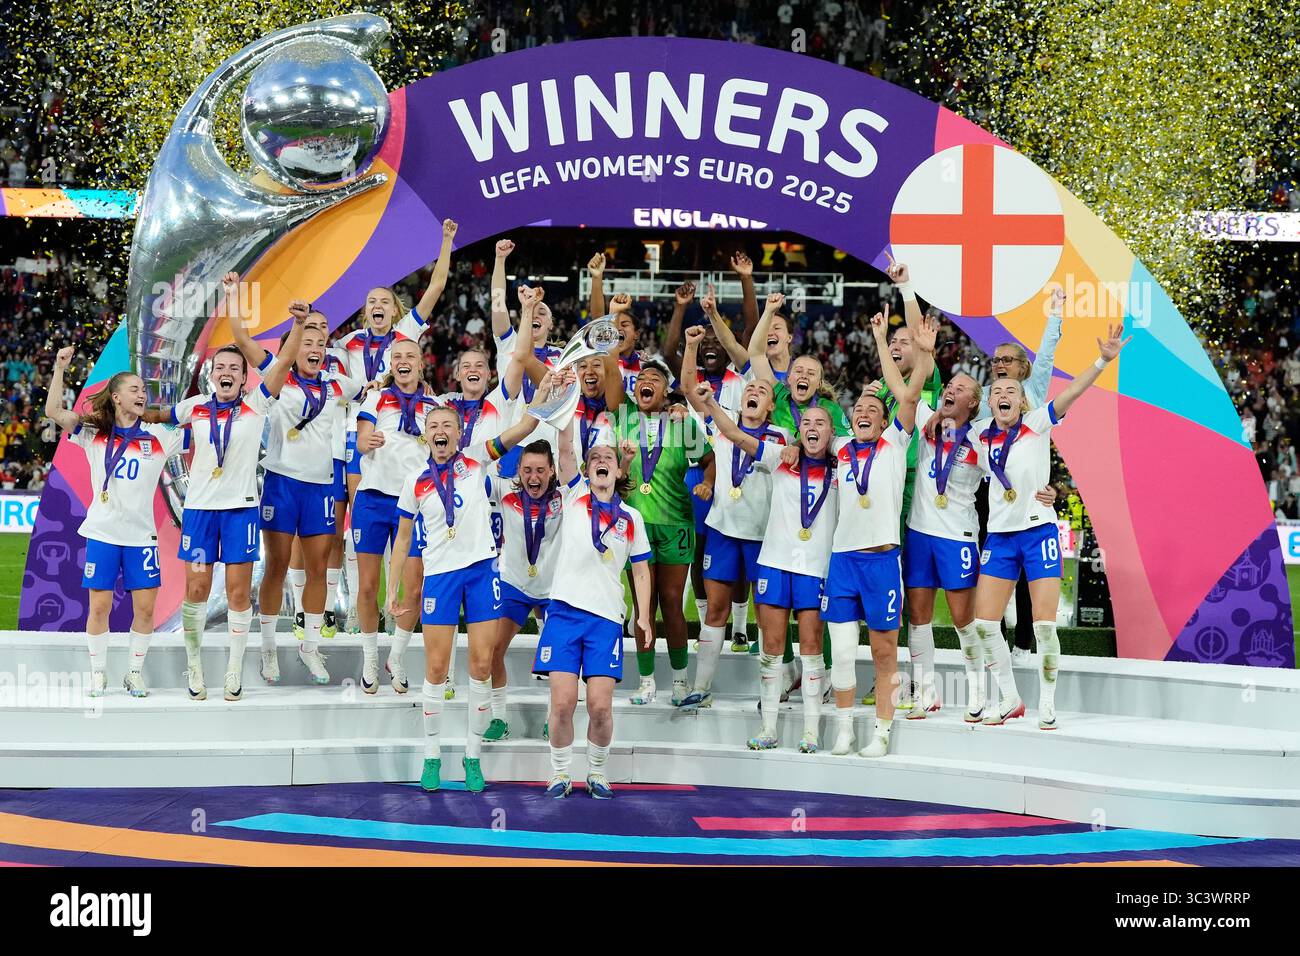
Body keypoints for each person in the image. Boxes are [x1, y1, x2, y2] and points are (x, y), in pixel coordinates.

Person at [139, 296, 305, 701]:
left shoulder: (256, 403)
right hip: (199, 513)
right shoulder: (194, 407)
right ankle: (194, 667)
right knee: (195, 591)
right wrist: (129, 410)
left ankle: (233, 672)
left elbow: (282, 365)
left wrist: (298, 327)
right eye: (221, 368)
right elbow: (159, 416)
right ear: (211, 377)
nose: (227, 372)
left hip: (240, 513)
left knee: (236, 593)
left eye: (234, 368)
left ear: (244, 378)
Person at [971, 323, 1130, 730]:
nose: (1003, 395)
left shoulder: (1038, 423)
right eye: (996, 392)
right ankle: (1009, 697)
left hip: (1038, 531)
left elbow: (1073, 390)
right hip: (1000, 537)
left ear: (1023, 402)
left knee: (1043, 625)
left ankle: (1047, 703)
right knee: (986, 624)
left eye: (1011, 392)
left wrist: (1102, 360)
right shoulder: (979, 437)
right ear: (989, 403)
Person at [387, 399, 542, 793]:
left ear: (458, 433)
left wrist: (543, 393)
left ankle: (472, 756)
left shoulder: (476, 458)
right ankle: (432, 756)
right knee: (436, 669)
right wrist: (395, 589)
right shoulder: (415, 481)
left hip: (480, 572)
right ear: (427, 434)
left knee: (481, 664)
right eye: (433, 424)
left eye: (448, 425)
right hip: (439, 577)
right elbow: (403, 540)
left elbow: (522, 428)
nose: (441, 431)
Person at [226, 290, 370, 686]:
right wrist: (232, 295)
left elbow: (374, 391)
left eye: (320, 343)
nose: (315, 348)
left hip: (321, 487)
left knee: (320, 569)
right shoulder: (277, 372)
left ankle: (309, 647)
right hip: (282, 483)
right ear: (294, 343)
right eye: (307, 341)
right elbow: (240, 336)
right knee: (275, 566)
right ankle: (269, 647)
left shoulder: (338, 384)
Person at [696, 370, 835, 752]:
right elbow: (738, 435)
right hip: (774, 562)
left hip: (813, 567)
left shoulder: (842, 468)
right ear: (796, 430)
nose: (812, 427)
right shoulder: (778, 457)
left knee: (810, 648)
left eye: (820, 423)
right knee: (771, 648)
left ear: (831, 432)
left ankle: (810, 731)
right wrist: (709, 403)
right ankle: (769, 728)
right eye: (805, 422)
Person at [335, 218, 458, 633]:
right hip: (356, 436)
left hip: (394, 440)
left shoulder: (404, 335)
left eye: (383, 300)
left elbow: (437, 288)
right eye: (370, 301)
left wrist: (445, 242)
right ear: (365, 310)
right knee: (359, 526)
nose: (376, 306)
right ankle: (358, 606)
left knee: (398, 534)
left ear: (395, 310)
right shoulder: (347, 343)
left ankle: (395, 622)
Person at [45, 345, 186, 697]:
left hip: (142, 538)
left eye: (143, 389)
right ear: (117, 398)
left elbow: (201, 430)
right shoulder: (94, 434)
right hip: (104, 533)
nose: (142, 394)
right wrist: (60, 369)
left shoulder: (161, 435)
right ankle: (97, 673)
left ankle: (134, 673)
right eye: (135, 389)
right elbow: (52, 411)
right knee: (100, 605)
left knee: (146, 607)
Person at [823, 312, 934, 758]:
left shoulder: (895, 442)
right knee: (844, 652)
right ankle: (845, 729)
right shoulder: (840, 447)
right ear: (850, 420)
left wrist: (892, 342)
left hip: (883, 563)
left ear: (885, 420)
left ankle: (882, 731)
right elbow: (809, 434)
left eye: (873, 409)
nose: (864, 412)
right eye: (859, 410)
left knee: (885, 650)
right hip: (843, 562)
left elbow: (908, 394)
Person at [534, 436, 653, 799]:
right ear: (587, 470)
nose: (602, 461)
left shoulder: (631, 518)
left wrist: (644, 617)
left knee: (600, 706)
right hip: (565, 615)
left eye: (609, 458)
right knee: (563, 702)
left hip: (605, 620)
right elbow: (566, 448)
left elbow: (642, 571)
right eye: (595, 458)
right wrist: (566, 396)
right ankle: (559, 773)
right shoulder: (573, 498)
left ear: (618, 471)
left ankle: (598, 771)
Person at [678, 321, 787, 708]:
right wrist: (690, 347)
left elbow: (741, 437)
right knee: (717, 609)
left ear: (771, 406)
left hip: (763, 536)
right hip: (723, 530)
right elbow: (691, 390)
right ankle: (702, 686)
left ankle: (771, 690)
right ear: (740, 402)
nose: (754, 392)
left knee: (767, 615)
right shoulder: (720, 425)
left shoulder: (781, 440)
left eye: (762, 391)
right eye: (750, 390)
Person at [614, 355, 713, 707]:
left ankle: (681, 682)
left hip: (675, 524)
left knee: (671, 602)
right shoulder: (623, 421)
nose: (646, 381)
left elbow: (708, 460)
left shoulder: (683, 426)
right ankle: (645, 682)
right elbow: (614, 474)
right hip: (636, 524)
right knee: (643, 604)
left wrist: (709, 484)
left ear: (666, 391)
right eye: (641, 376)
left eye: (655, 378)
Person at [352, 338, 440, 694]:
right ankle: (371, 656)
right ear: (391, 365)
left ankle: (397, 656)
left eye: (410, 357)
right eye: (397, 357)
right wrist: (367, 442)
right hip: (373, 499)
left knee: (413, 587)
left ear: (421, 364)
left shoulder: (434, 406)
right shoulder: (375, 398)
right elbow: (359, 440)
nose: (404, 362)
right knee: (369, 585)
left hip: (417, 505)